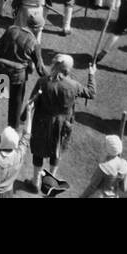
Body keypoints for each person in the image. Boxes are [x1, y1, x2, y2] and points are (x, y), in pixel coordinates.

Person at [29, 53, 96, 192]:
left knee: (38, 151)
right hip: (62, 125)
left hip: (41, 123)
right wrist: (91, 74)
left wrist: (25, 117)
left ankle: (35, 182)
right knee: (56, 151)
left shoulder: (43, 82)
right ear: (68, 69)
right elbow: (91, 93)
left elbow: (32, 102)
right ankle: (49, 182)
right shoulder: (74, 85)